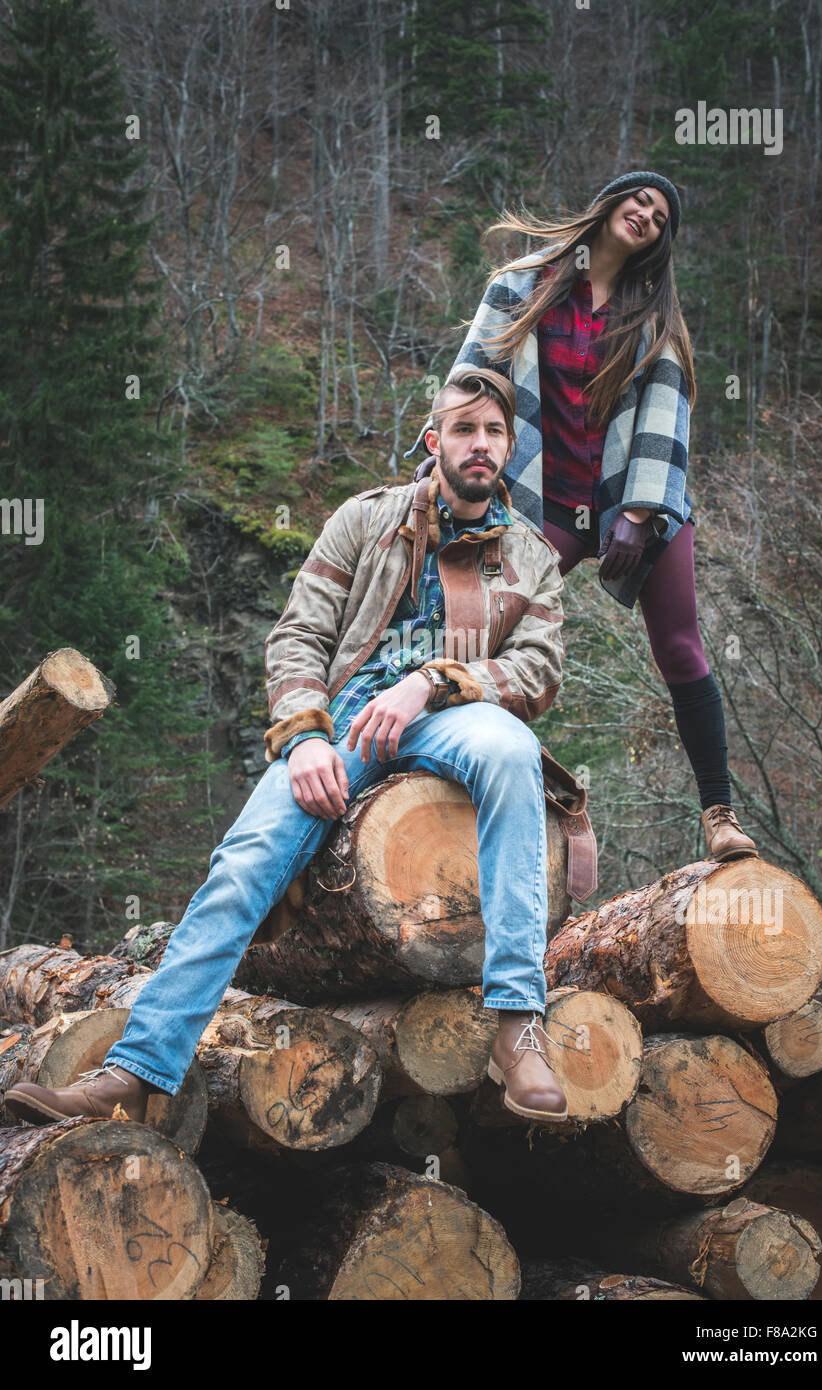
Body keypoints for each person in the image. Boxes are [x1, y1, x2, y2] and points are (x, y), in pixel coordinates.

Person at [3, 367, 595, 1129]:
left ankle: (517, 1027)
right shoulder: (363, 518)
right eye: (462, 429)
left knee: (511, 750)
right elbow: (299, 638)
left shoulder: (530, 557)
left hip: (453, 713)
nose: (478, 445)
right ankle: (136, 1068)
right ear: (433, 440)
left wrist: (432, 682)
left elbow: (537, 672)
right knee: (245, 859)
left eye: (492, 433)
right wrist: (307, 736)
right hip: (345, 718)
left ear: (509, 448)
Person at [408, 171, 757, 862]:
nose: (647, 216)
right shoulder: (524, 283)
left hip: (632, 490)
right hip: (545, 490)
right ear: (609, 204)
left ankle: (719, 815)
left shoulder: (651, 314)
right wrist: (440, 452)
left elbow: (665, 411)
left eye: (659, 218)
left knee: (680, 646)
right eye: (640, 201)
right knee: (481, 628)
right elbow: (473, 372)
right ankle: (434, 786)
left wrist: (639, 508)